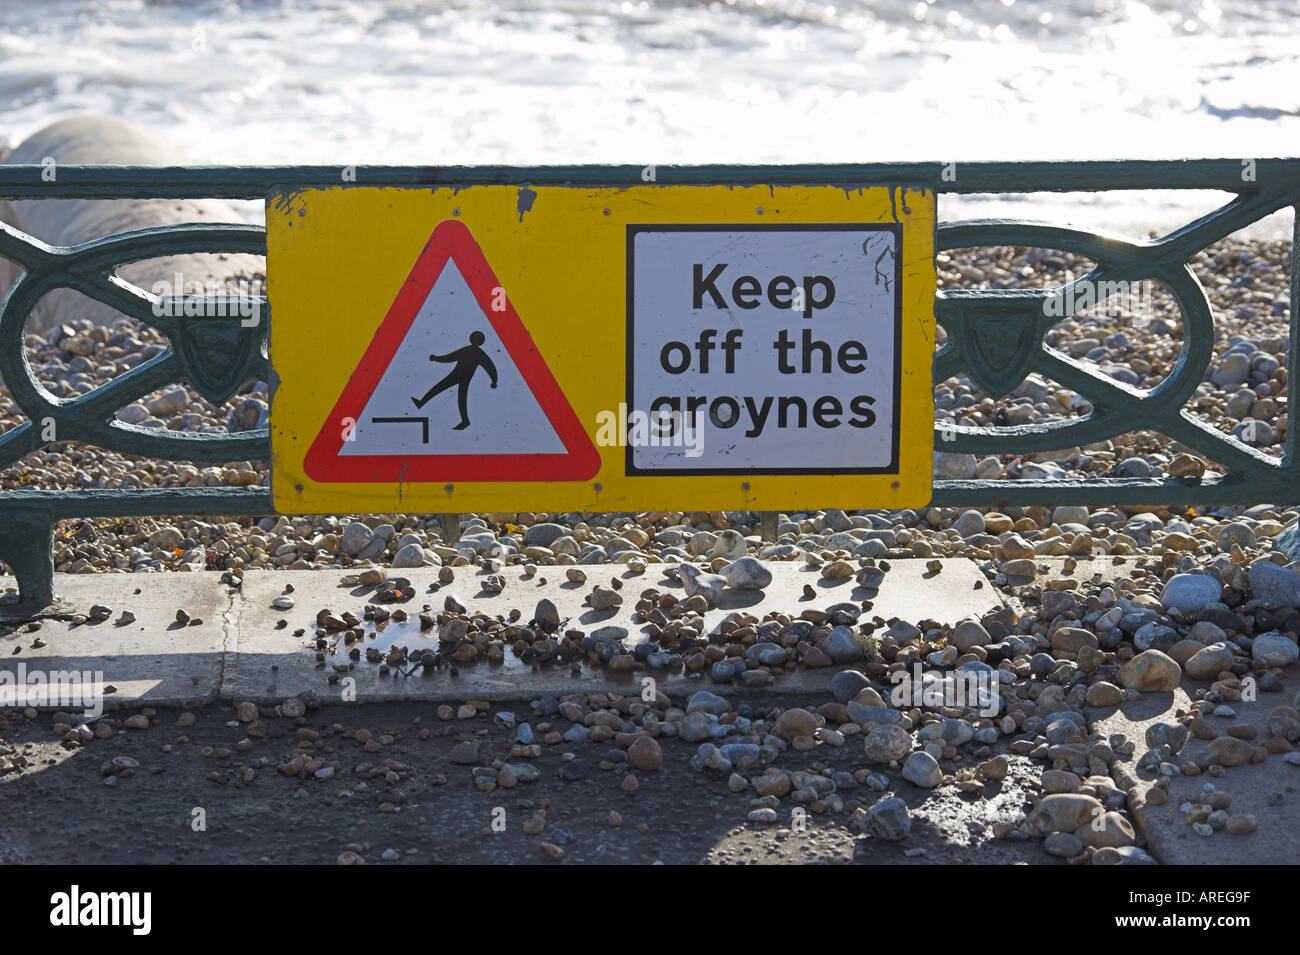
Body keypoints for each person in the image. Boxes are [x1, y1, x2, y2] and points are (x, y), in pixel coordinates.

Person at [411, 330, 498, 429]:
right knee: (456, 396)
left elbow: (450, 358)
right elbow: (490, 367)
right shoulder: (479, 353)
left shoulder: (470, 351)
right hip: (460, 376)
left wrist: (436, 358)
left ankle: (421, 403)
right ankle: (421, 403)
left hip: (458, 375)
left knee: (442, 389)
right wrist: (494, 380)